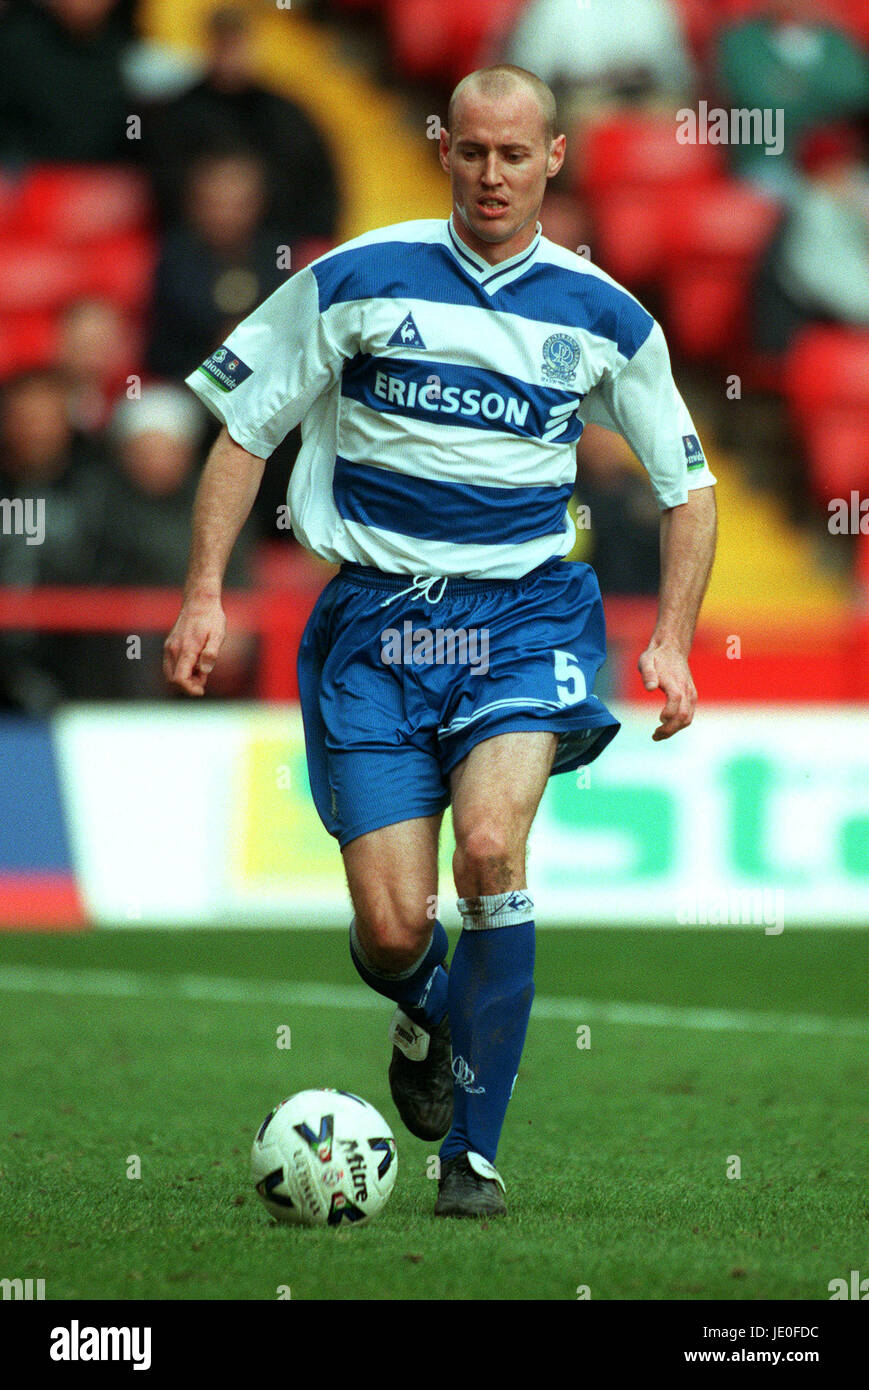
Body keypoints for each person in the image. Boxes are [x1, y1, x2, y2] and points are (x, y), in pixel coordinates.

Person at [164, 65, 717, 1219]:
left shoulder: (605, 315)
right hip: (373, 624)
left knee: (491, 852)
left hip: (521, 618)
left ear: (552, 158)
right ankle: (426, 1005)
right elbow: (239, 431)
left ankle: (470, 1155)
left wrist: (668, 636)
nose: (491, 174)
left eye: (515, 154)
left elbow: (688, 486)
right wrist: (204, 592)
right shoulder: (353, 280)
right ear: (441, 147)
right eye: (471, 151)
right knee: (391, 923)